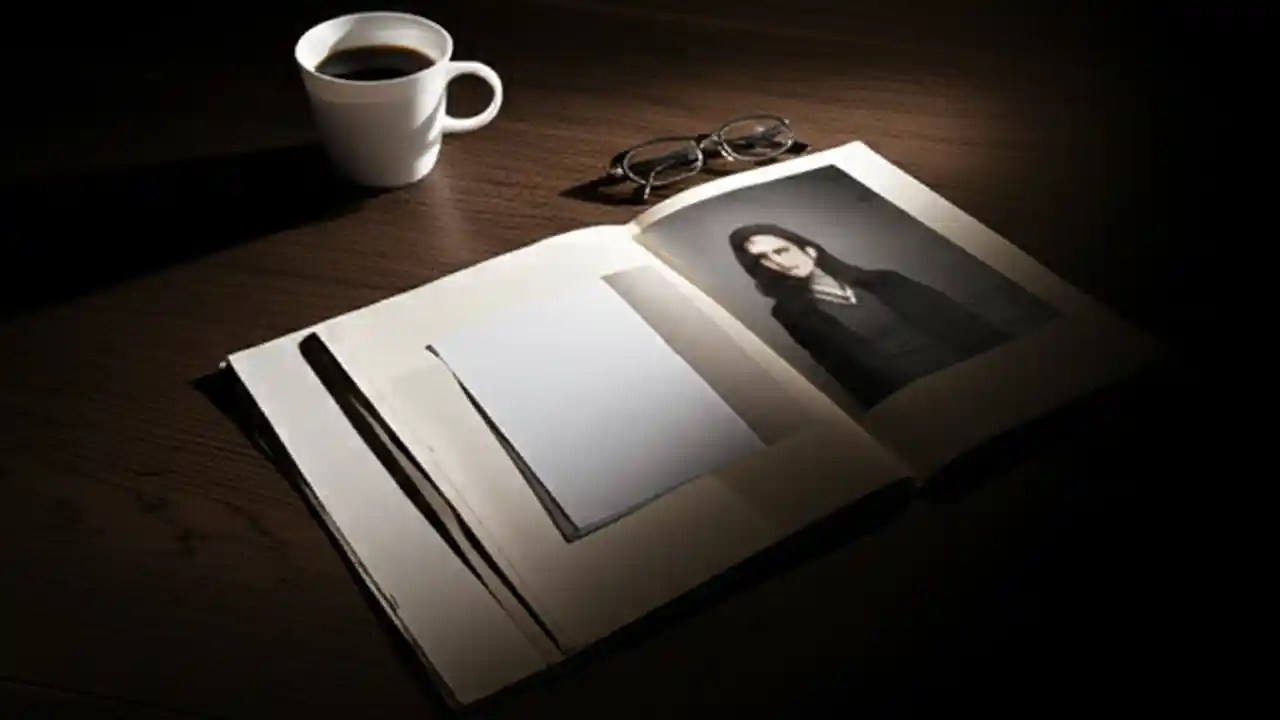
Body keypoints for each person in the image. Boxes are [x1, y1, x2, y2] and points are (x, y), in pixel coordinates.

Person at [729, 223, 1010, 407]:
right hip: (918, 400)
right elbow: (849, 375)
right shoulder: (793, 315)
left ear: (810, 251)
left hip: (978, 373)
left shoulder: (886, 281)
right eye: (764, 259)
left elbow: (968, 325)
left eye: (781, 250)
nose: (778, 262)